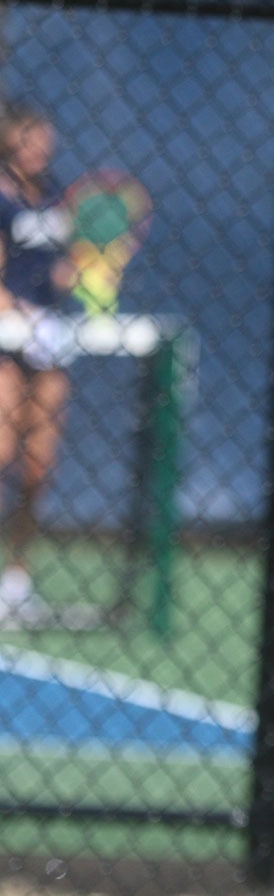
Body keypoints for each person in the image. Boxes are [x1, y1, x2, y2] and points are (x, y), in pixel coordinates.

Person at [0, 106, 74, 627]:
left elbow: (64, 269)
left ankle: (16, 578)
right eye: (31, 140)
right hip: (4, 339)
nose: (40, 150)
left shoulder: (57, 197)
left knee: (37, 466)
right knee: (0, 451)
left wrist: (84, 277)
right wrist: (18, 312)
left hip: (50, 343)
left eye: (46, 140)